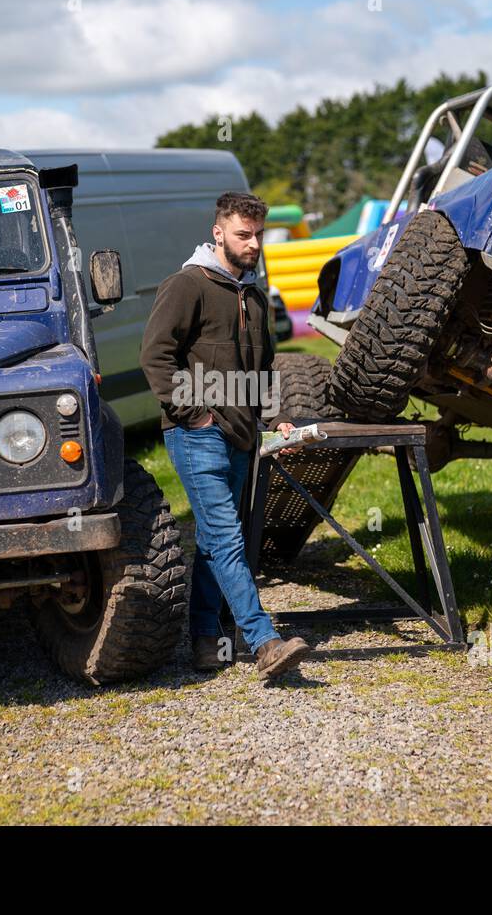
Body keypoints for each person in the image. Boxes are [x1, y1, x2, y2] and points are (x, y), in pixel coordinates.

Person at [140, 192, 312, 681]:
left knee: (216, 545)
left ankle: (206, 645)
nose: (254, 243)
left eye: (258, 234)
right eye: (243, 234)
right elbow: (155, 356)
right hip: (197, 435)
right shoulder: (185, 285)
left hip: (242, 436)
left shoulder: (255, 296)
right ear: (218, 233)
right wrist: (193, 414)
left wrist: (273, 417)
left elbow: (262, 368)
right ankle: (263, 641)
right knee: (228, 537)